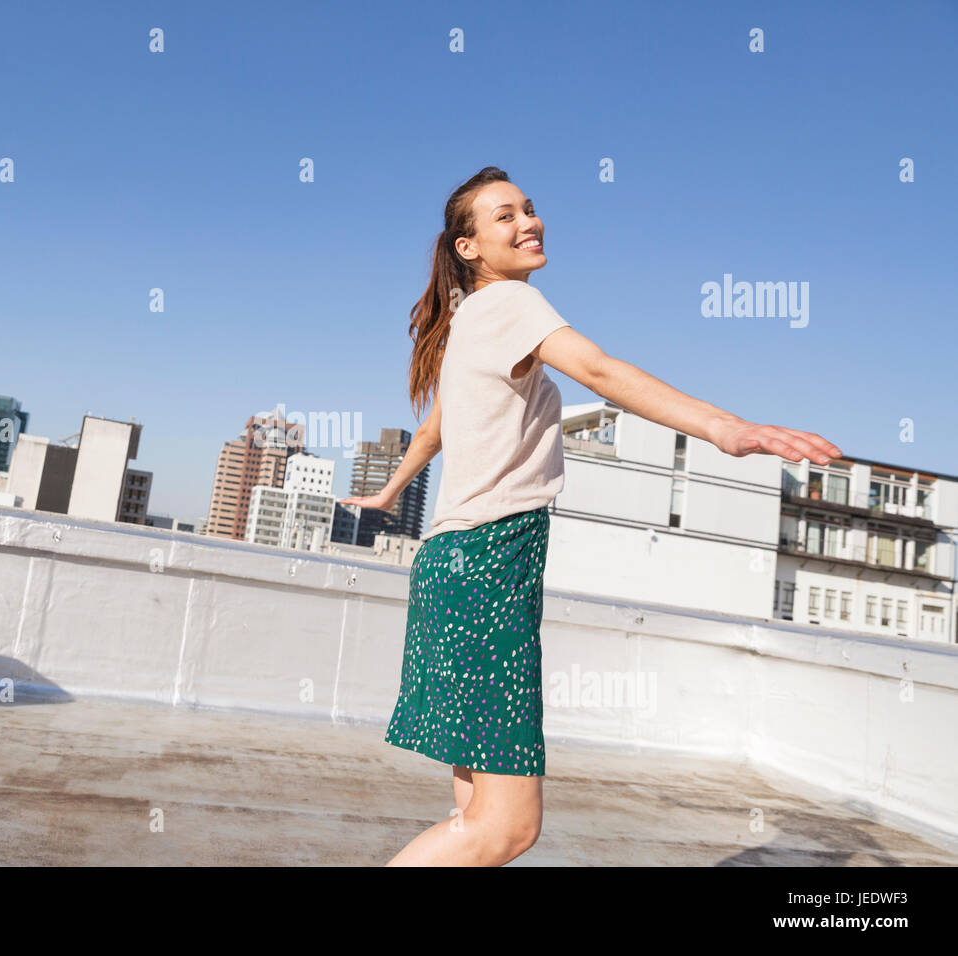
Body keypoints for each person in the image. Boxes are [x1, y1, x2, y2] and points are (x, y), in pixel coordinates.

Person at [340, 166, 842, 866]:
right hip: (487, 566)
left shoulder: (468, 322)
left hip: (450, 566)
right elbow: (600, 372)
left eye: (530, 209)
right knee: (505, 829)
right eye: (505, 217)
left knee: (473, 814)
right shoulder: (508, 304)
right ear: (469, 248)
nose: (528, 222)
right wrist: (726, 428)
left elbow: (434, 431)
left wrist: (390, 495)